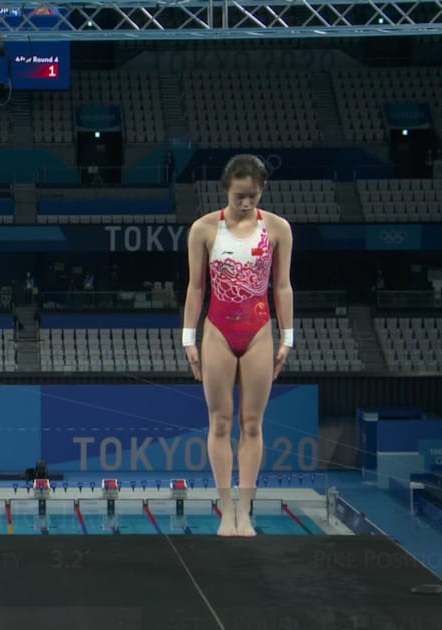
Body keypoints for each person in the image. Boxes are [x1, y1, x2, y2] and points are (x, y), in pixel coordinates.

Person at [181, 154, 294, 536]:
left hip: (260, 330)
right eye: (239, 196)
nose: (246, 203)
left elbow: (282, 286)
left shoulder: (278, 229)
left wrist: (288, 337)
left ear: (262, 190)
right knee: (220, 422)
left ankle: (245, 510)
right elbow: (196, 288)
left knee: (251, 423)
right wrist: (188, 339)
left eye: (253, 196)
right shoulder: (204, 229)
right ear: (226, 189)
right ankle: (225, 509)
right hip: (217, 332)